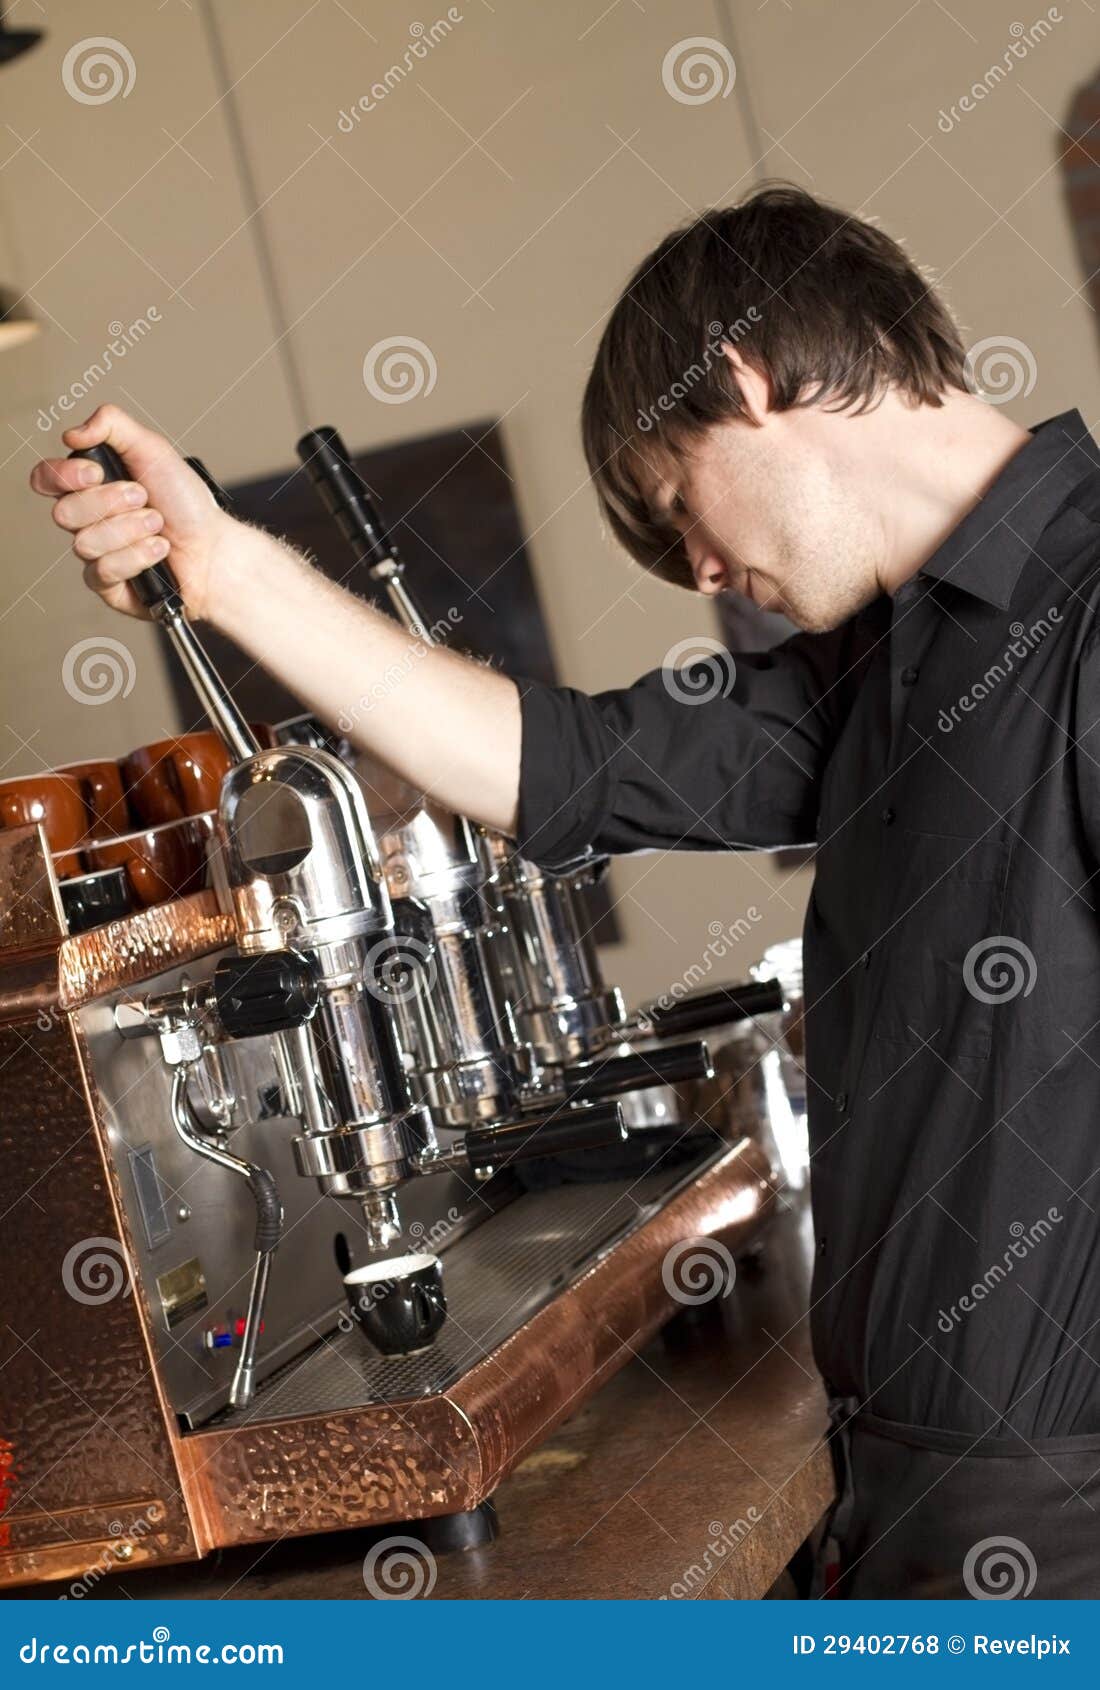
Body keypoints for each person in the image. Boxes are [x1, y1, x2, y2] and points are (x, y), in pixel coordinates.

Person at [31, 185, 1100, 1599]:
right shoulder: (883, 666)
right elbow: (562, 767)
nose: (708, 570)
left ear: (745, 376)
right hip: (898, 1500)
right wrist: (223, 566)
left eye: (678, 504)